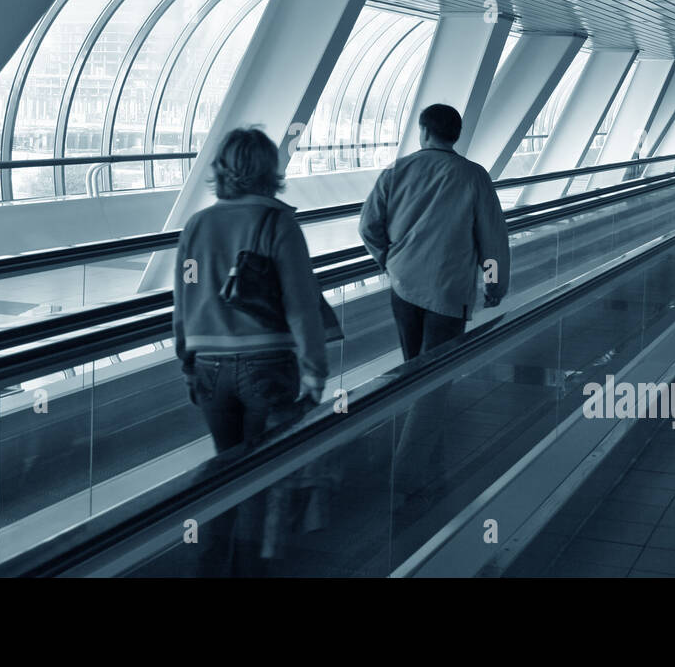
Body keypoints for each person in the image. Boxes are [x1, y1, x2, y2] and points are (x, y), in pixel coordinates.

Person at [172, 127, 330, 575]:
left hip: (208, 371)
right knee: (260, 476)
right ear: (268, 170)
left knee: (224, 471)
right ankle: (248, 570)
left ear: (223, 169)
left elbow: (183, 298)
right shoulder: (278, 222)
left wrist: (188, 362)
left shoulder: (197, 225)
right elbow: (301, 303)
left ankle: (209, 563)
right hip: (268, 366)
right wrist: (315, 372)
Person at [359, 103, 511, 360]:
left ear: (424, 131)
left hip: (403, 282)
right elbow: (492, 240)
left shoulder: (396, 171)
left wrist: (387, 260)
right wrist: (494, 285)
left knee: (411, 364)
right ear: (457, 134)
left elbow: (368, 226)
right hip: (450, 288)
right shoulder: (473, 175)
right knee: (438, 368)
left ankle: (406, 399)